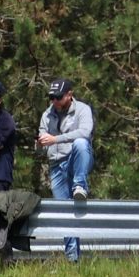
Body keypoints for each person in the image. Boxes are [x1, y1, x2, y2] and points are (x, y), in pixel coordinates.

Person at [37, 77, 94, 262]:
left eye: (58, 97)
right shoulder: (46, 115)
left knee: (80, 143)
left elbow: (85, 132)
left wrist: (55, 139)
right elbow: (43, 141)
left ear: (70, 94)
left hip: (74, 160)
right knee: (64, 213)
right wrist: (40, 144)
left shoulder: (83, 110)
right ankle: (72, 259)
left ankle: (80, 185)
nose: (55, 101)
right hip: (55, 166)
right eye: (52, 97)